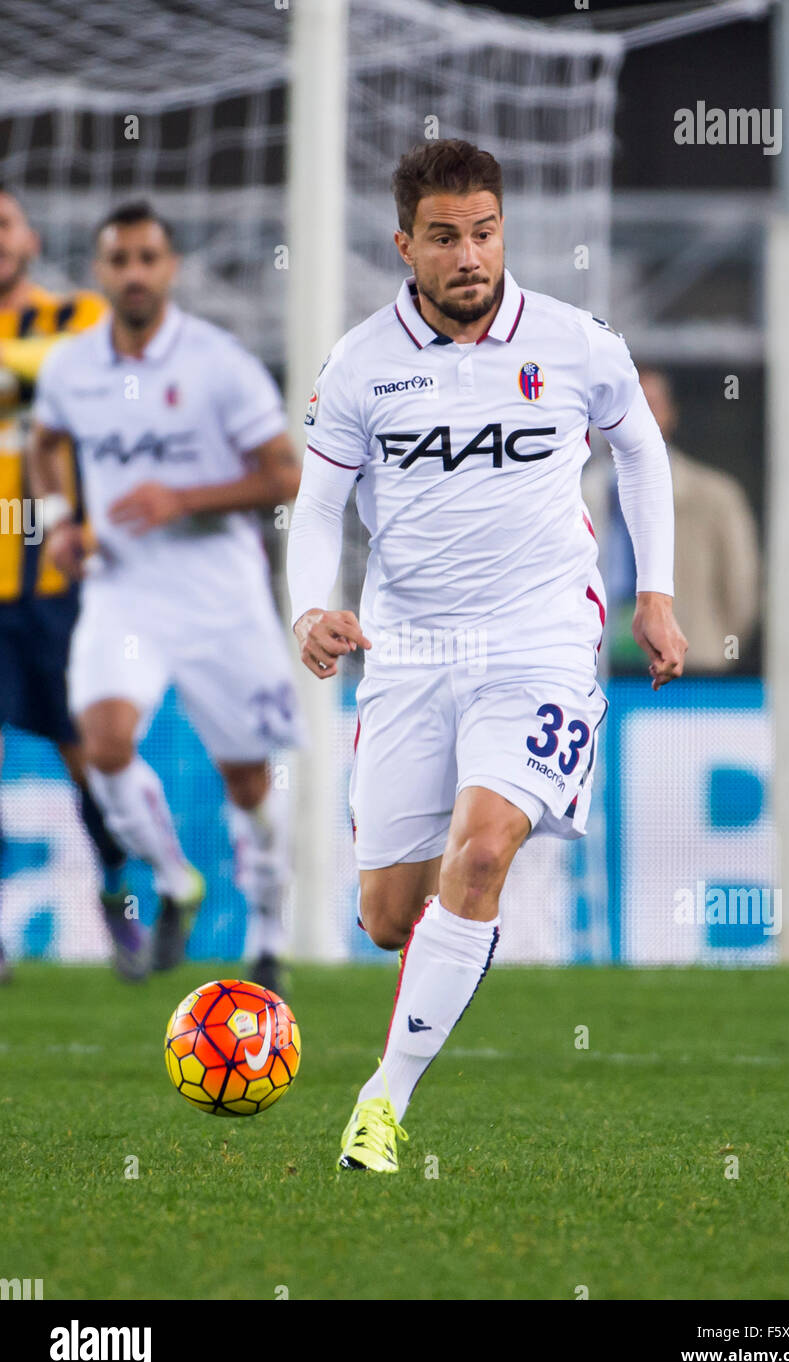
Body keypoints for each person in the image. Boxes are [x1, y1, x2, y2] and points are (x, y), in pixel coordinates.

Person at [287, 139, 687, 1172]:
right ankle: (448, 946)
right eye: (443, 237)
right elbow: (319, 502)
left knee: (479, 853)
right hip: (409, 650)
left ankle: (381, 1103)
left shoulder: (573, 343)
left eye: (484, 231)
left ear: (500, 228)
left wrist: (654, 593)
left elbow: (637, 444)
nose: (468, 254)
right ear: (404, 245)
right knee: (385, 916)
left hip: (540, 638)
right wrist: (307, 611)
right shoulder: (359, 362)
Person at [29, 201, 304, 994]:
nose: (136, 274)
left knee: (250, 779)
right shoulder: (72, 366)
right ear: (100, 273)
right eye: (120, 261)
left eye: (149, 258)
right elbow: (46, 443)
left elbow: (284, 474)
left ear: (171, 267)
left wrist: (183, 499)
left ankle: (267, 937)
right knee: (105, 746)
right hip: (123, 592)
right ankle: (177, 880)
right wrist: (61, 522)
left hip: (221, 595)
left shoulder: (219, 363)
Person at [0, 184, 136, 982]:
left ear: (31, 236)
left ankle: (116, 890)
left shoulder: (77, 319)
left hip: (56, 583)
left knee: (88, 753)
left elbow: (85, 382)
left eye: (4, 223)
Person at [582, 367, 760, 671]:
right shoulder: (576, 493)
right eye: (626, 405)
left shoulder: (714, 496)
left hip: (690, 672)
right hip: (595, 668)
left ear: (671, 414)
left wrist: (711, 647)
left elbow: (742, 591)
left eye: (651, 405)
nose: (638, 416)